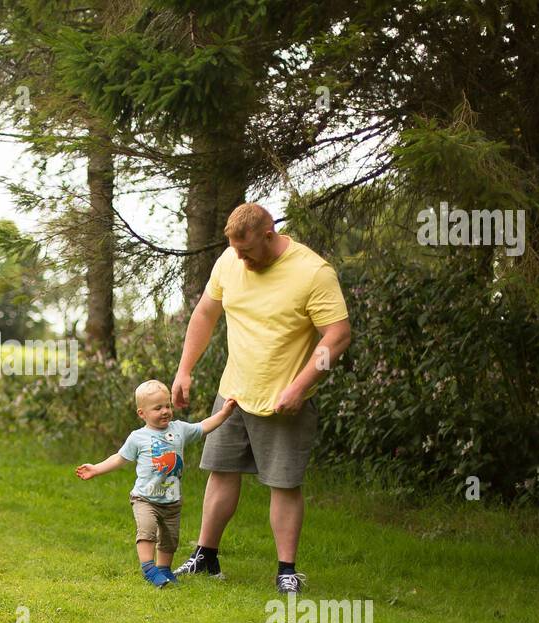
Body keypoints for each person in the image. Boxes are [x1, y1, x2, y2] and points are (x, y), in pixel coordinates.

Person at [171, 203, 351, 593]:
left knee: (284, 484)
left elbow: (336, 336)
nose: (240, 258)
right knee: (221, 472)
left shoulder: (312, 272)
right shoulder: (230, 261)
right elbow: (205, 313)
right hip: (234, 392)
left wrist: (300, 386)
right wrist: (185, 369)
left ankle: (286, 570)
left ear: (269, 234)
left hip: (284, 399)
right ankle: (206, 556)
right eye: (234, 250)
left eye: (246, 250)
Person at [75, 380, 237, 587]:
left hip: (171, 500)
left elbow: (203, 427)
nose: (165, 411)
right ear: (142, 413)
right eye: (157, 408)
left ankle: (164, 570)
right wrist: (96, 469)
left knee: (170, 539)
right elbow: (119, 458)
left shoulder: (179, 429)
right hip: (145, 498)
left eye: (167, 406)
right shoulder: (138, 437)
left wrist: (224, 414)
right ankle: (149, 569)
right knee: (147, 530)